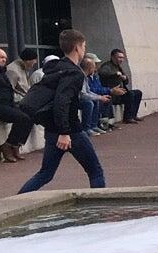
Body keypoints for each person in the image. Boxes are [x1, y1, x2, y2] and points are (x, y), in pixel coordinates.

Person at [17, 28, 106, 192]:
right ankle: (98, 210)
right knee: (95, 171)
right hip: (70, 131)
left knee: (45, 174)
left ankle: (17, 201)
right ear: (77, 48)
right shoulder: (74, 73)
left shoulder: (54, 68)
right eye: (84, 46)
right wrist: (65, 132)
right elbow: (63, 101)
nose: (84, 50)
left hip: (52, 130)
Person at [99, 48, 143, 123]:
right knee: (130, 94)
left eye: (122, 58)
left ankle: (133, 115)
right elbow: (102, 73)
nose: (121, 60)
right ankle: (127, 117)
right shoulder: (107, 66)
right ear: (113, 57)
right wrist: (115, 74)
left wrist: (124, 78)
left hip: (121, 92)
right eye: (119, 57)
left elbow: (126, 82)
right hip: (113, 93)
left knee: (138, 92)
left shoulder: (119, 67)